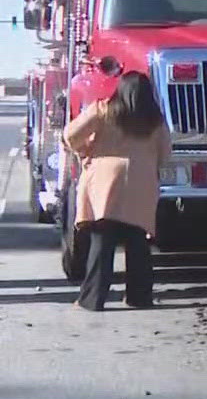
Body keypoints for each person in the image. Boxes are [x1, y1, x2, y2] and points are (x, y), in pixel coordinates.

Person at [63, 69, 170, 311]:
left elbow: (70, 136)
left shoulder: (102, 110)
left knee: (102, 241)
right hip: (141, 185)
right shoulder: (155, 120)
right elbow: (165, 154)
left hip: (105, 184)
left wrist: (86, 151)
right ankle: (139, 297)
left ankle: (92, 299)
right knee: (138, 243)